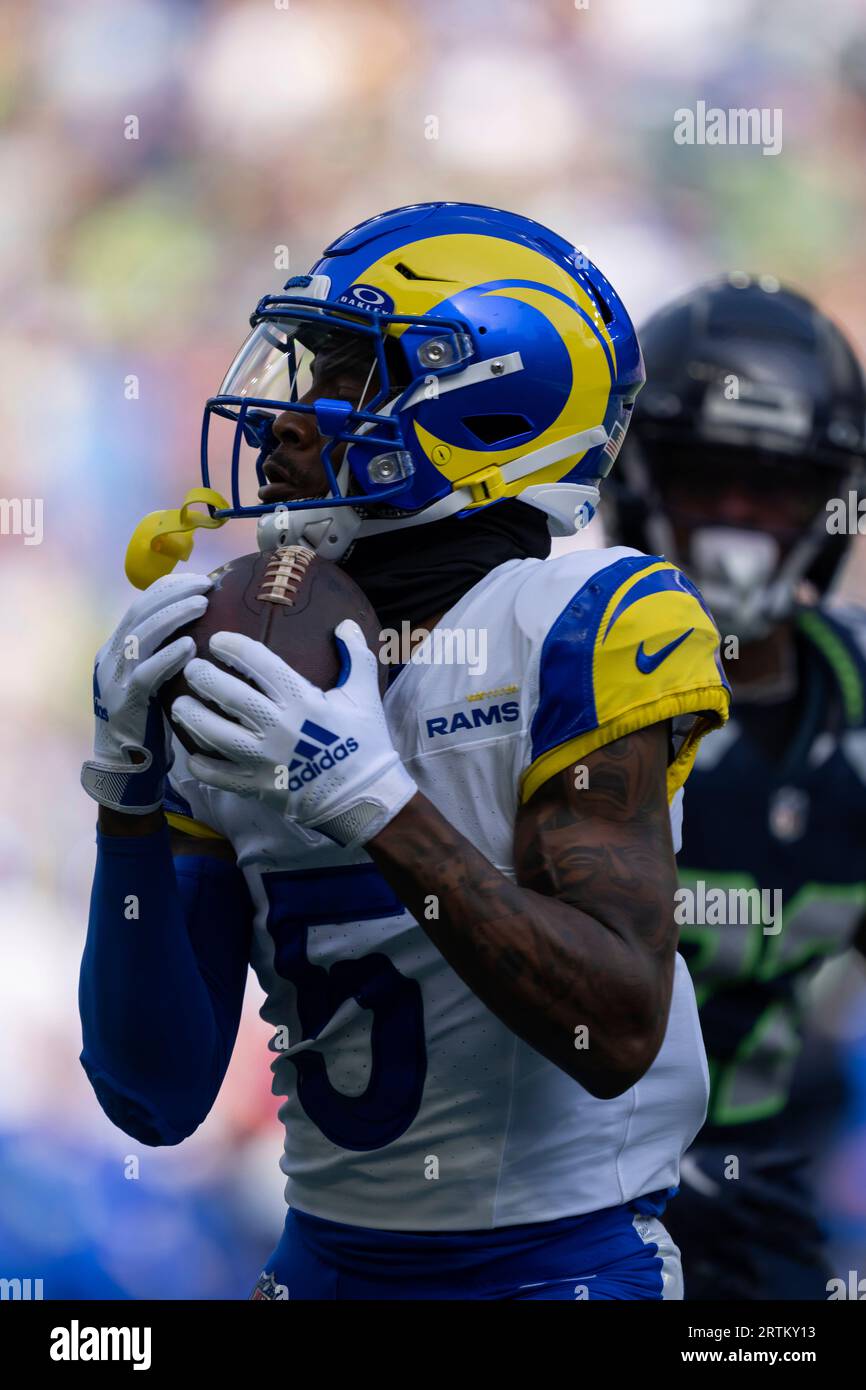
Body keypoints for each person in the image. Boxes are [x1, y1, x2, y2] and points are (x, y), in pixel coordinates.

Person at [78, 202, 728, 1301]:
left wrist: (370, 800)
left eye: (347, 376)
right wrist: (124, 804)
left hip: (556, 1267)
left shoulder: (584, 620)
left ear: (490, 414)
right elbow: (155, 1097)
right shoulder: (245, 654)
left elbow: (611, 1023)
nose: (283, 421)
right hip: (319, 1265)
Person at [611, 273, 866, 1299]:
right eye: (702, 476)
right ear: (639, 477)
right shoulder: (537, 668)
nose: (730, 516)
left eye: (769, 486)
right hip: (537, 1199)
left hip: (746, 1197)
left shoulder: (851, 706)